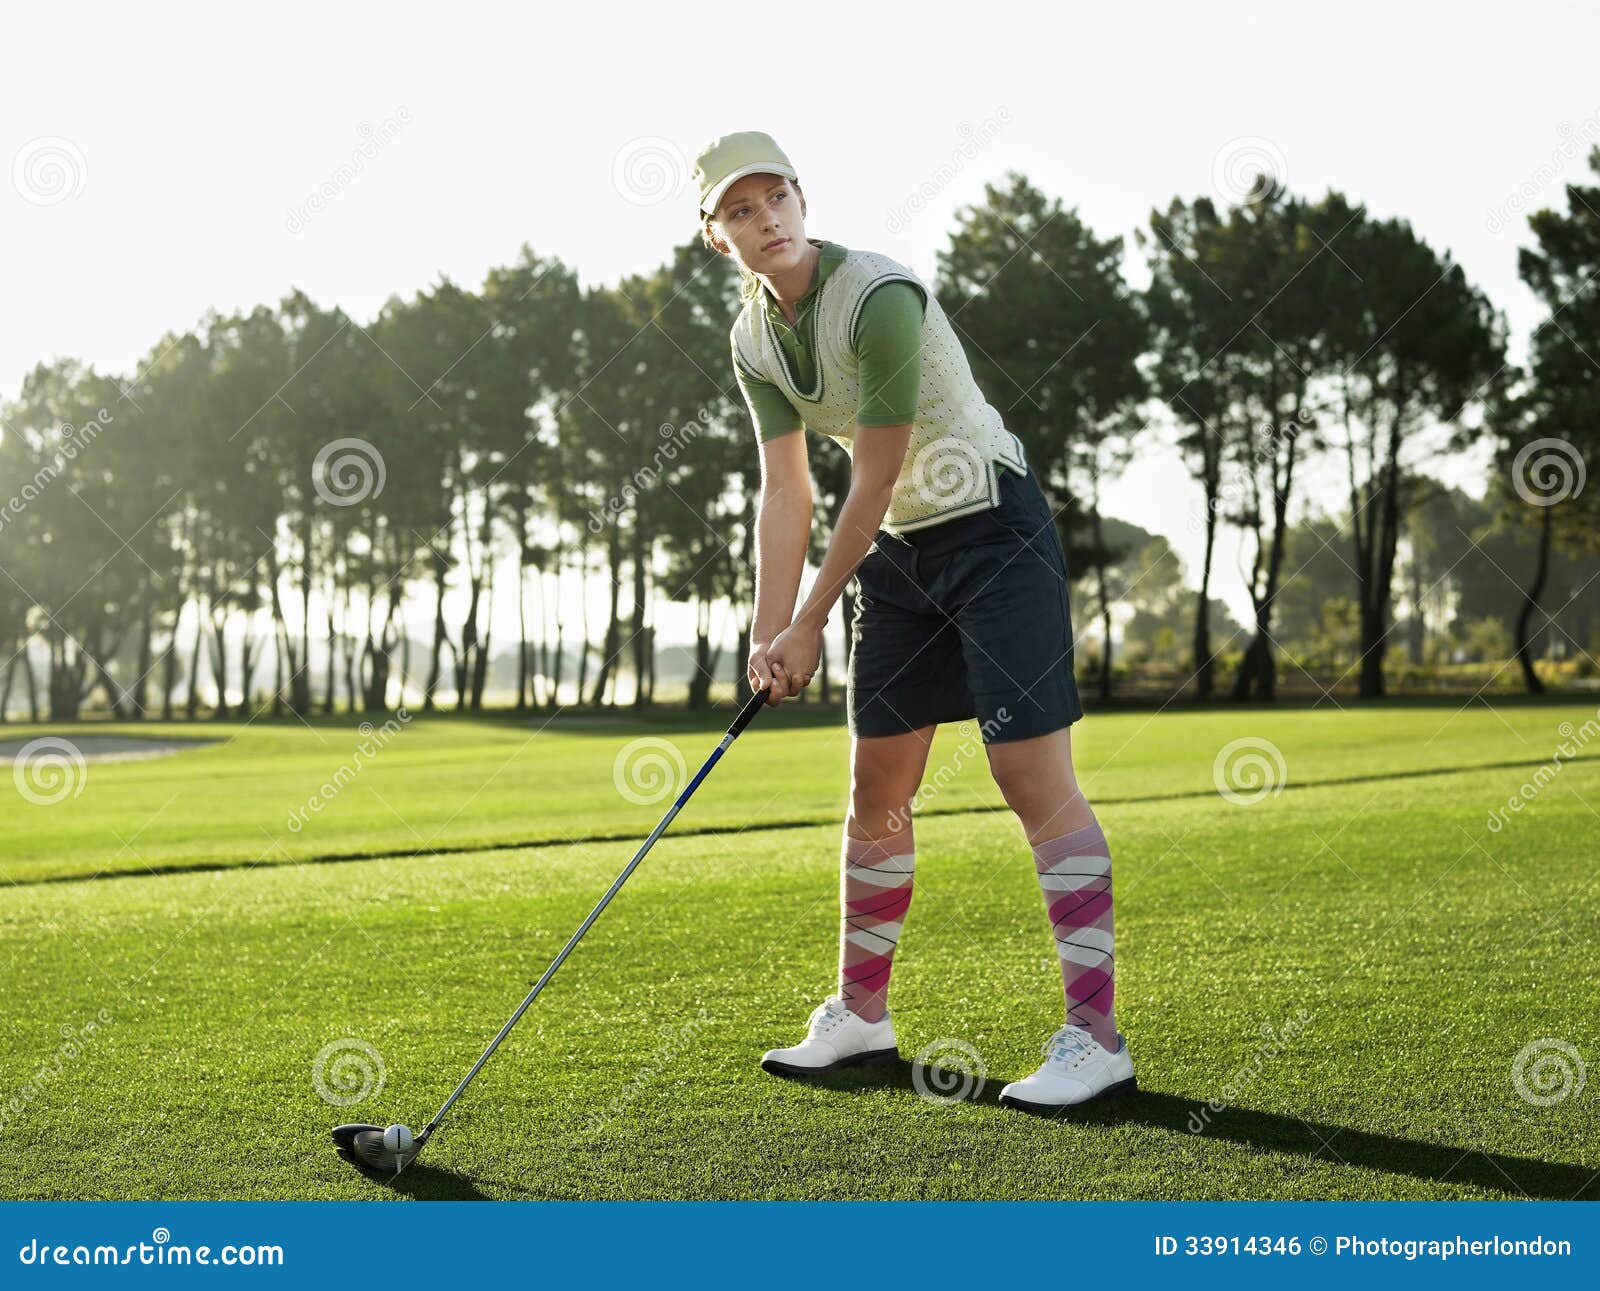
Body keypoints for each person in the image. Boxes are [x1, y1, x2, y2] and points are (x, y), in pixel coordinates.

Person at [694, 131, 1134, 1109]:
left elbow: (876, 469)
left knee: (1031, 778)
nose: (762, 219)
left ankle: (1095, 1038)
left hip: (992, 531)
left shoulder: (880, 298)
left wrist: (811, 617)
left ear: (802, 202)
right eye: (738, 210)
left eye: (775, 199)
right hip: (897, 557)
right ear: (717, 238)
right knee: (876, 789)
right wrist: (771, 633)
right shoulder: (752, 340)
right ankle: (860, 1016)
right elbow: (785, 491)